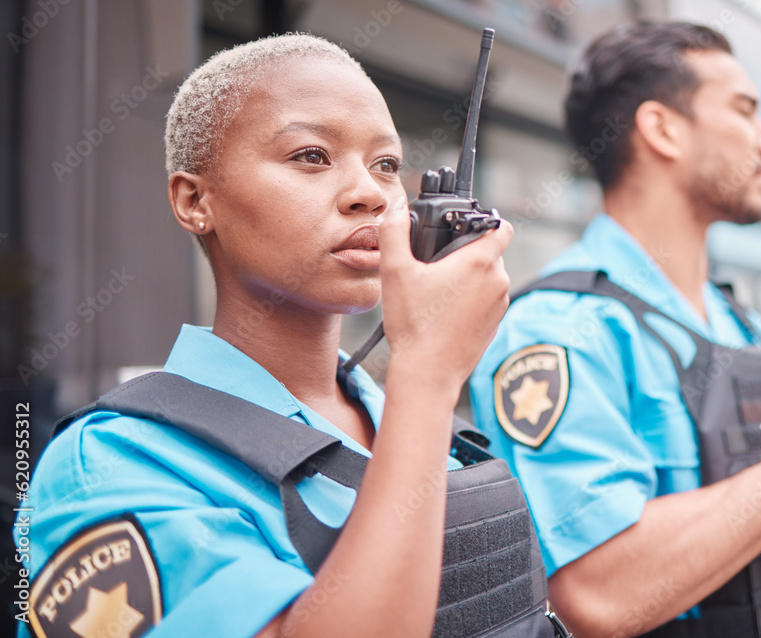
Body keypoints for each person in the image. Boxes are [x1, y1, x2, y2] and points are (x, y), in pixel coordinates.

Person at [19, 33, 558, 638]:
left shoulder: (433, 428)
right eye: (310, 156)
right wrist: (429, 371)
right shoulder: (110, 465)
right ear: (195, 200)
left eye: (385, 165)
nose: (370, 194)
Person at [469, 22, 761, 638]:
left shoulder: (745, 328)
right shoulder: (558, 331)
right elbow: (597, 593)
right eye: (744, 111)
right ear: (662, 129)